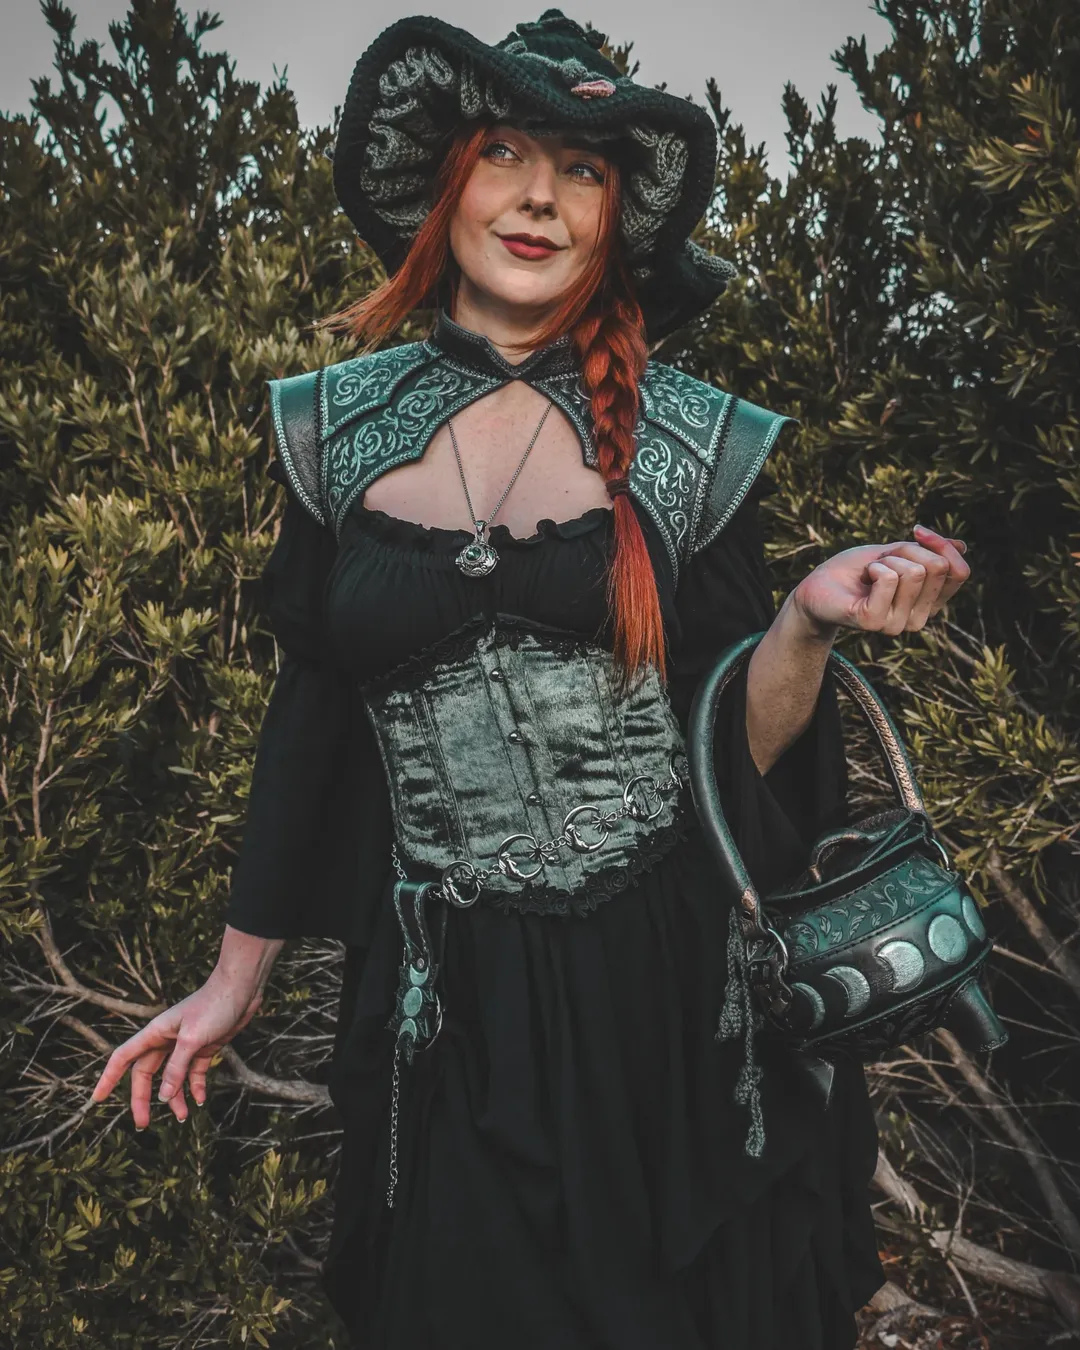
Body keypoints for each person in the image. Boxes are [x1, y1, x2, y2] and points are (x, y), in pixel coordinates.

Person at [90, 11, 971, 1347]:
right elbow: (311, 722)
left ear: (615, 219)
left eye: (583, 171)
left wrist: (803, 621)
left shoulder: (692, 443)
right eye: (505, 154)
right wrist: (233, 980)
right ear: (449, 181)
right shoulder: (330, 430)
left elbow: (735, 748)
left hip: (671, 996)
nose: (540, 199)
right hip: (444, 998)